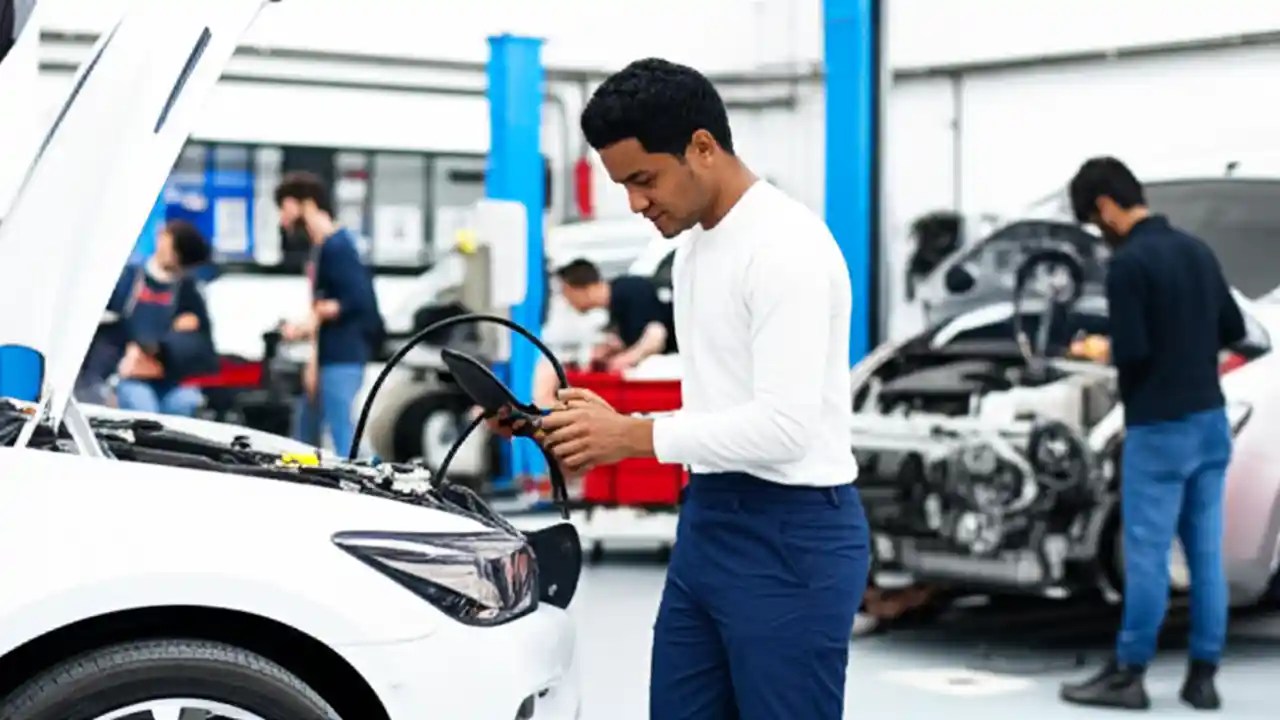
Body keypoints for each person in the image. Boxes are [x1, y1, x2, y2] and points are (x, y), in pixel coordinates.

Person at [535, 58, 870, 719]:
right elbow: (719, 400)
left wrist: (632, 436)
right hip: (710, 518)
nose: (635, 202)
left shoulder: (785, 248)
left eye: (643, 179)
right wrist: (583, 423)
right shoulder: (692, 247)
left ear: (702, 148)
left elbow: (785, 428)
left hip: (792, 534)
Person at [1059, 156, 1246, 712]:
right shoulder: (1197, 251)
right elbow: (1234, 331)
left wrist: (1097, 348)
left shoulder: (1130, 264)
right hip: (1211, 424)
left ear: (1106, 206)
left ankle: (1129, 674)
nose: (1101, 234)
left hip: (1159, 430)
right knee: (1206, 556)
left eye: (1096, 222)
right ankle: (1203, 677)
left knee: (1146, 557)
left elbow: (1134, 352)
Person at [274, 171, 384, 457]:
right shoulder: (323, 248)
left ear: (306, 203)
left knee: (344, 435)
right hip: (327, 356)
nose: (282, 218)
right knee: (305, 430)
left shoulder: (339, 246)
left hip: (342, 357)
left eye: (285, 207)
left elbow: (358, 300)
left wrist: (319, 313)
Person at [98, 219, 217, 416]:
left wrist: (161, 350)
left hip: (171, 375)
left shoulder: (187, 291)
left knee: (186, 403)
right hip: (127, 374)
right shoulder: (129, 279)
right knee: (142, 406)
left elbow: (201, 344)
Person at [531, 258, 676, 406]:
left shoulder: (630, 290)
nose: (568, 302)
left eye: (567, 293)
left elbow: (656, 336)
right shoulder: (615, 309)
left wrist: (624, 359)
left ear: (580, 289)